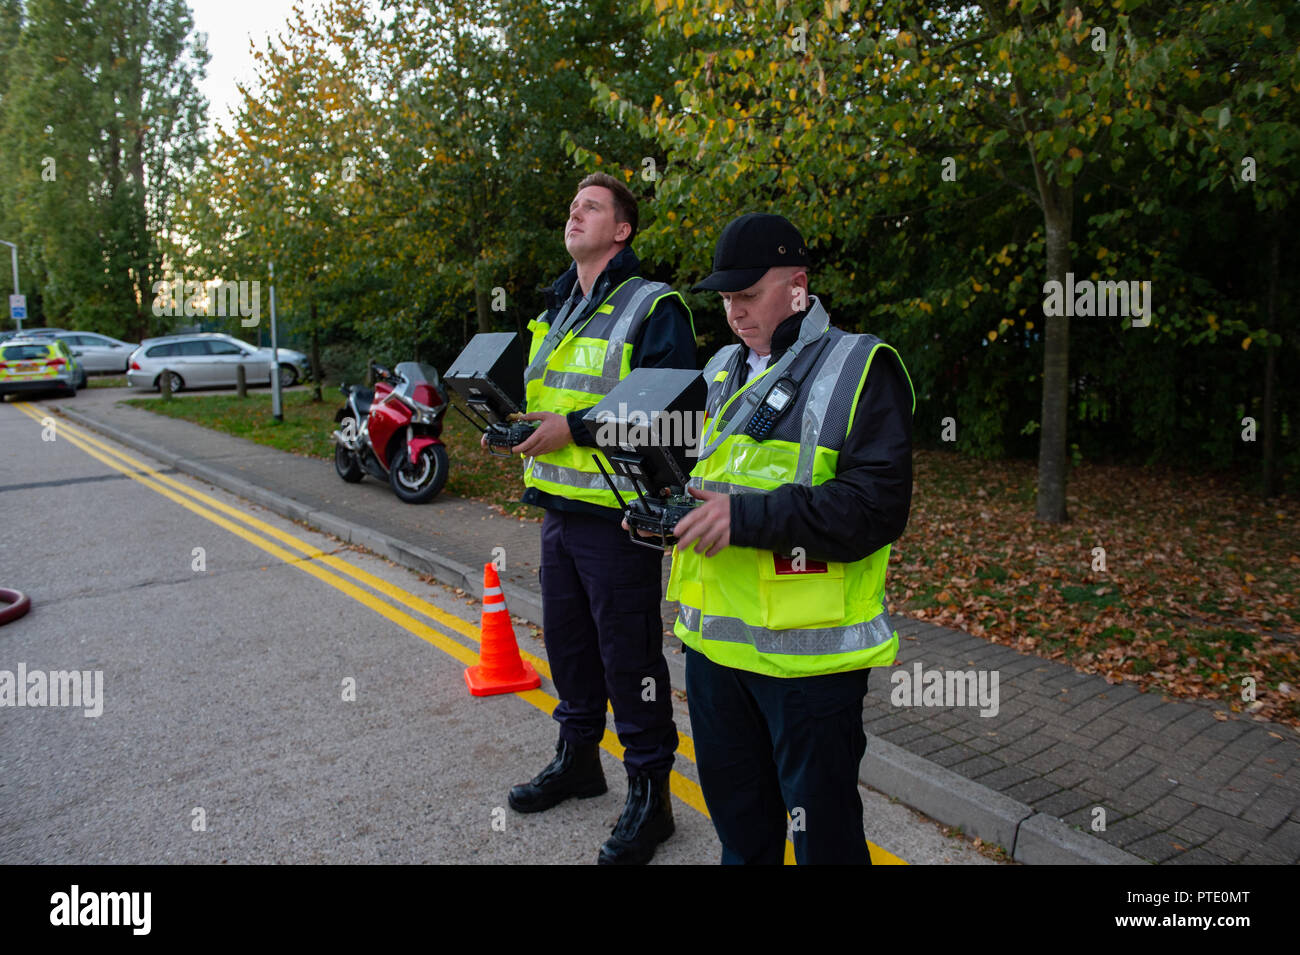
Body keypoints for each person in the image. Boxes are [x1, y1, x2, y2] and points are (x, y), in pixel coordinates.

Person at [663, 213, 915, 864]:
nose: (735, 312)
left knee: (825, 843)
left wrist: (744, 518)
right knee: (742, 841)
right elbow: (709, 476)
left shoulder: (860, 365)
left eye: (747, 296)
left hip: (808, 671)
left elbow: (875, 507)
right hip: (715, 657)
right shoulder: (722, 366)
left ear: (799, 285)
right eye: (725, 299)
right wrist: (669, 511)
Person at [495, 172, 695, 866]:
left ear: (623, 229)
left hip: (620, 517)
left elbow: (671, 407)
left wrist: (572, 429)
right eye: (572, 204)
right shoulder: (558, 306)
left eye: (592, 206)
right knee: (571, 651)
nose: (575, 213)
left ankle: (654, 801)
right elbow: (551, 395)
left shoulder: (653, 304)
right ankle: (579, 761)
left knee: (630, 659)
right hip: (558, 511)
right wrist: (513, 425)